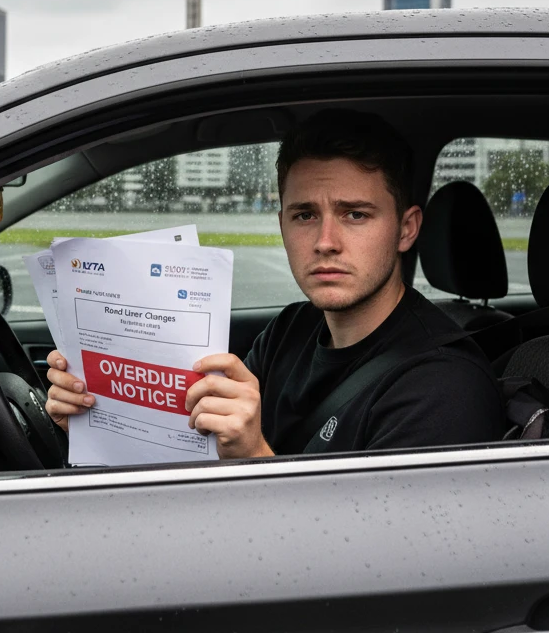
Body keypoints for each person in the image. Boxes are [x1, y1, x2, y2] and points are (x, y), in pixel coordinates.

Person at [44, 109, 506, 458]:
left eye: (355, 215)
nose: (326, 242)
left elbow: (376, 567)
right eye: (305, 215)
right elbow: (194, 446)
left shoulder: (445, 387)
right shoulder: (293, 329)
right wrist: (98, 421)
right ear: (282, 223)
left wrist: (253, 457)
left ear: (406, 230)